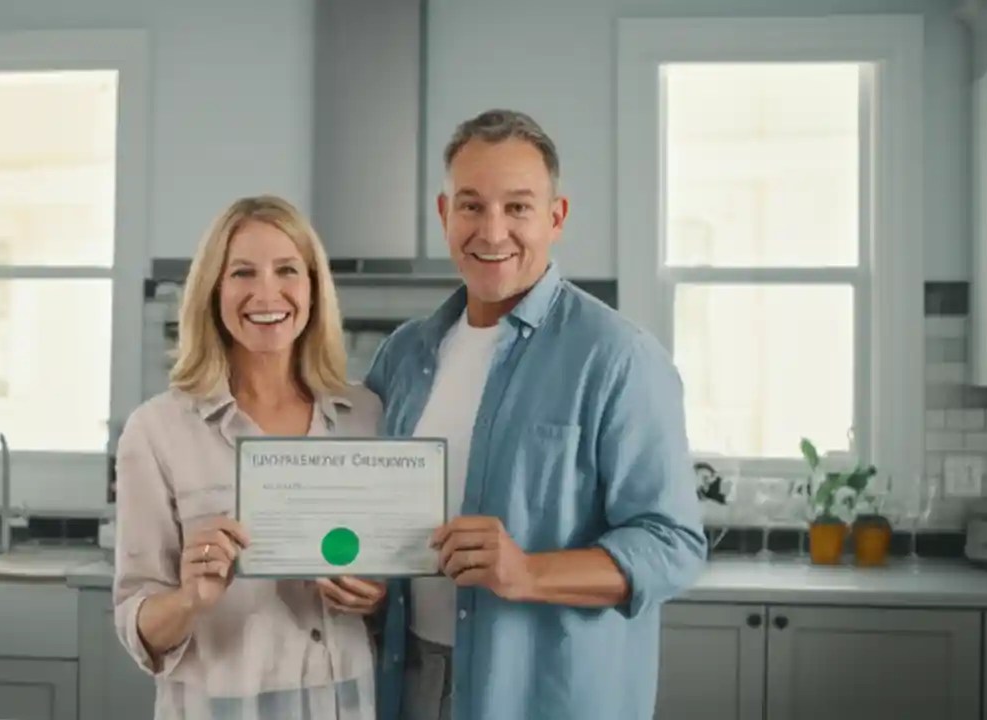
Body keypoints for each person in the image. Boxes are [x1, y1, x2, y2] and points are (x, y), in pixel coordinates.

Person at [363, 109, 708, 719]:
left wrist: (527, 572)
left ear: (556, 217)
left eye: (517, 207)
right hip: (409, 681)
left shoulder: (619, 358)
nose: (492, 233)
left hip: (540, 696)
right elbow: (367, 507)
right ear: (445, 217)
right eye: (470, 206)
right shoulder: (403, 355)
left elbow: (673, 544)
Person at [113, 195, 388, 719]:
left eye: (287, 270)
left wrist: (375, 596)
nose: (267, 292)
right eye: (242, 272)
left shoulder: (366, 417)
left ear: (312, 288)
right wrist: (190, 598)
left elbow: (394, 592)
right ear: (214, 291)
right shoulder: (156, 432)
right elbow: (137, 622)